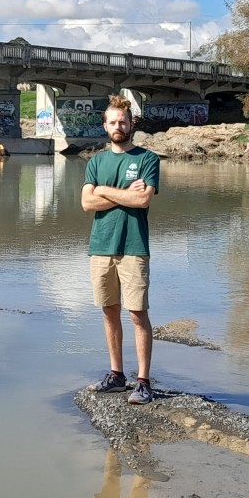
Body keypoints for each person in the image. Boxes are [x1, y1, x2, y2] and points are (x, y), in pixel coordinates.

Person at [81, 95, 160, 405]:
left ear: (131, 124)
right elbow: (87, 203)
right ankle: (116, 376)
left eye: (123, 121)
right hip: (100, 247)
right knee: (109, 312)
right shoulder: (96, 161)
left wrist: (103, 190)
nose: (118, 126)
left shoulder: (147, 159)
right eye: (112, 122)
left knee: (138, 314)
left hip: (134, 247)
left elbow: (143, 200)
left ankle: (143, 381)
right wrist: (122, 193)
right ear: (105, 125)